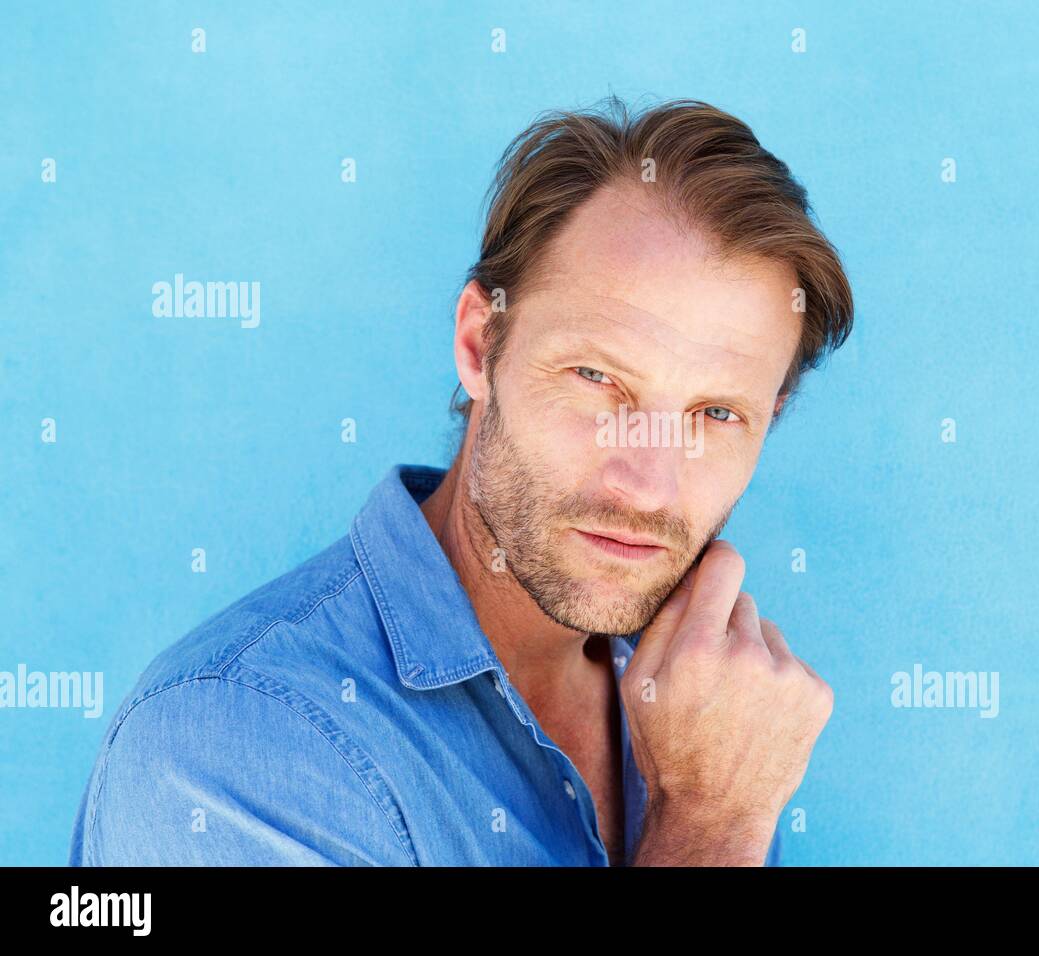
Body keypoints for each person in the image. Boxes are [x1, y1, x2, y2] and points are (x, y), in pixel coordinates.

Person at [69, 95, 852, 866]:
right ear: (481, 346)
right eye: (597, 378)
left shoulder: (714, 714)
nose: (648, 485)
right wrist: (711, 829)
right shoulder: (225, 746)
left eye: (716, 414)